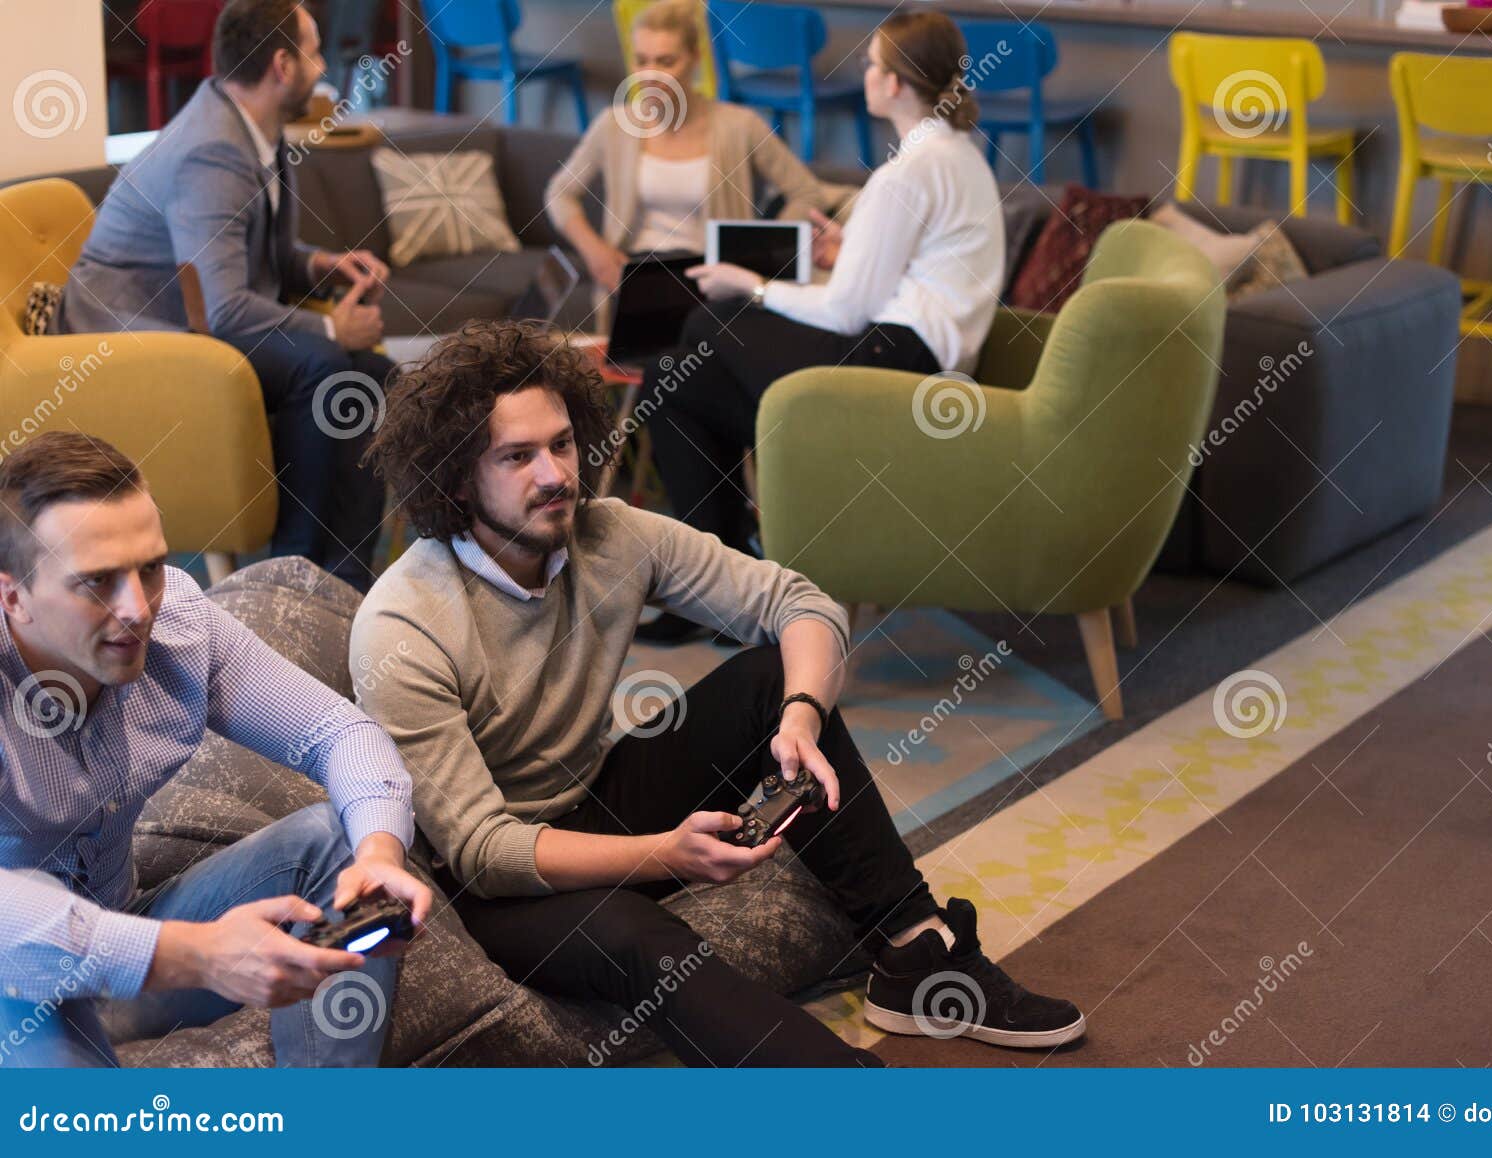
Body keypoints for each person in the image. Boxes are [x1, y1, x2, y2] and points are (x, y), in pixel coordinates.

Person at [352, 320, 1084, 1067]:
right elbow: (483, 852)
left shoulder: (613, 535)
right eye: (517, 457)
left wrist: (800, 718)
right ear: (455, 476)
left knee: (770, 680)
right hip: (494, 887)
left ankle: (915, 952)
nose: (555, 475)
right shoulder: (404, 627)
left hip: (592, 793)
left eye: (563, 444)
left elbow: (801, 605)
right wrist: (666, 856)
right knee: (638, 937)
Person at [0, 433, 430, 1068]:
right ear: (13, 597)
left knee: (337, 836)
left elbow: (337, 732)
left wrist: (380, 852)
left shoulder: (180, 623)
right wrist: (198, 954)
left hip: (137, 935)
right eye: (96, 582)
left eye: (148, 566)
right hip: (19, 982)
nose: (137, 608)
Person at [640, 10, 1004, 644]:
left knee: (709, 317)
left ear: (894, 84)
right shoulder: (958, 153)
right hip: (917, 354)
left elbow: (844, 312)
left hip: (893, 361)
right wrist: (853, 243)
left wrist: (747, 285)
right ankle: (725, 591)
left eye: (871, 64)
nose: (863, 74)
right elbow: (920, 271)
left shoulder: (907, 171)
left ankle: (736, 587)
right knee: (669, 387)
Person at [50, 0, 393, 592]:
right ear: (282, 66)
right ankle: (287, 577)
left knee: (374, 371)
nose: (322, 68)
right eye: (313, 53)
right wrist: (333, 329)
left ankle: (345, 583)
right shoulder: (213, 149)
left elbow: (251, 256)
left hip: (195, 313)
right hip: (132, 334)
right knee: (325, 362)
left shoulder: (253, 129)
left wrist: (323, 263)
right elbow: (228, 305)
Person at [545, 0, 828, 295]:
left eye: (666, 62)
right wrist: (595, 252)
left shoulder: (740, 125)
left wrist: (759, 249)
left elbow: (807, 193)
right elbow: (559, 193)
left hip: (710, 280)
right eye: (641, 60)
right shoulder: (614, 125)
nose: (650, 74)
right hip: (636, 274)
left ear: (695, 58)